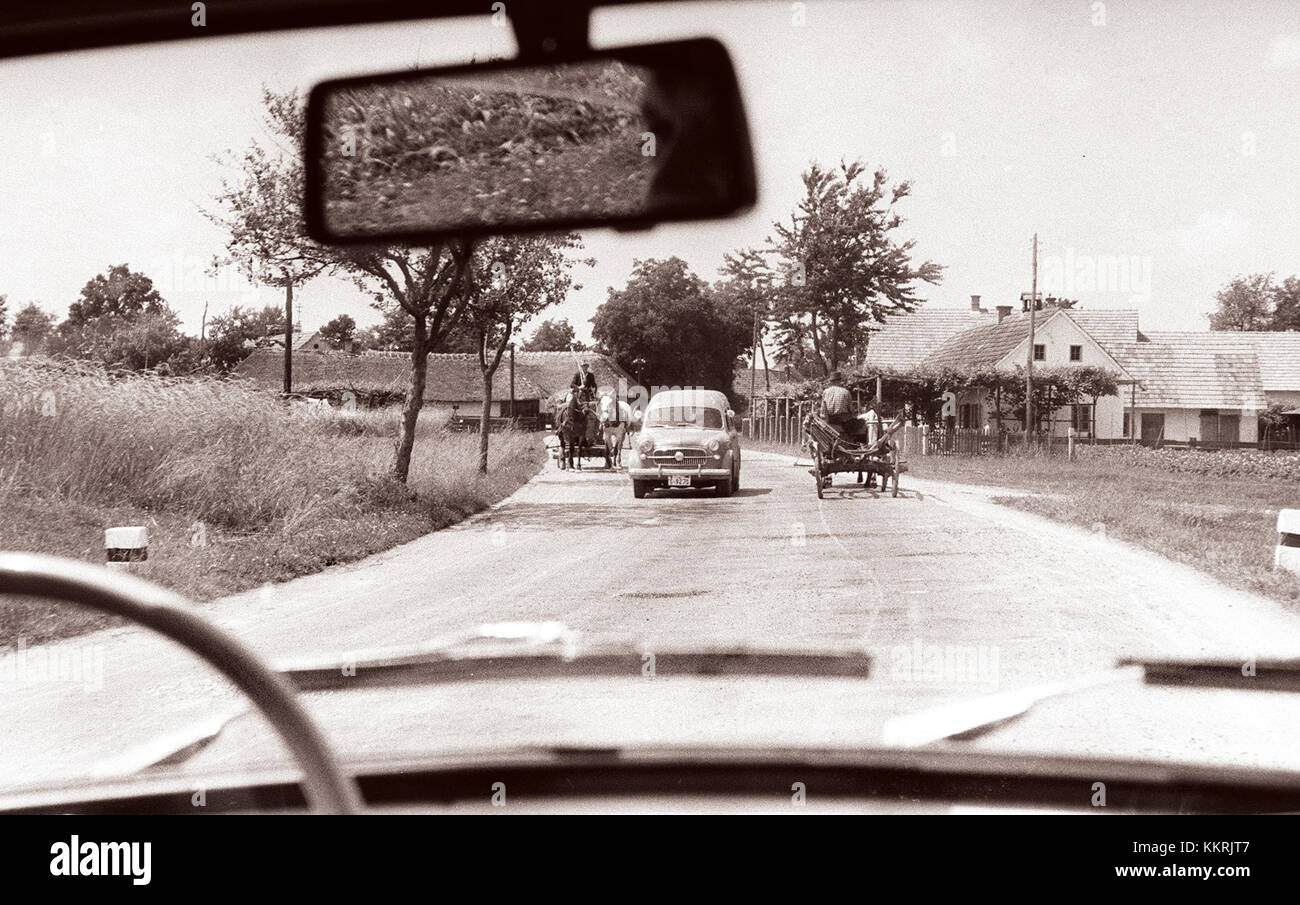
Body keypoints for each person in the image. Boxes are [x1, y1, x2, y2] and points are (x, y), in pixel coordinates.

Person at [819, 371, 864, 438]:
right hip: (843, 422)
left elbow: (822, 411)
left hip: (830, 420)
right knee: (862, 422)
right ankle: (854, 442)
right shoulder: (845, 392)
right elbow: (851, 410)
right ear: (839, 381)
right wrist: (854, 413)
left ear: (831, 381)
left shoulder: (825, 392)